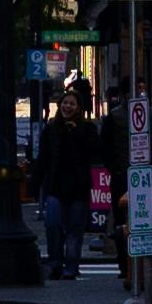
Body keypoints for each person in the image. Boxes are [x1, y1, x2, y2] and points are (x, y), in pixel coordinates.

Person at [34, 85, 101, 277]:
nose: (68, 107)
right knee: (53, 225)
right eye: (65, 103)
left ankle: (71, 267)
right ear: (59, 105)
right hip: (55, 187)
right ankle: (55, 263)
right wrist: (35, 183)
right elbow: (43, 158)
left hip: (78, 188)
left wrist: (76, 134)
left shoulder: (87, 129)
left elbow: (96, 152)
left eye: (72, 104)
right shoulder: (51, 129)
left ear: (79, 108)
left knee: (74, 230)